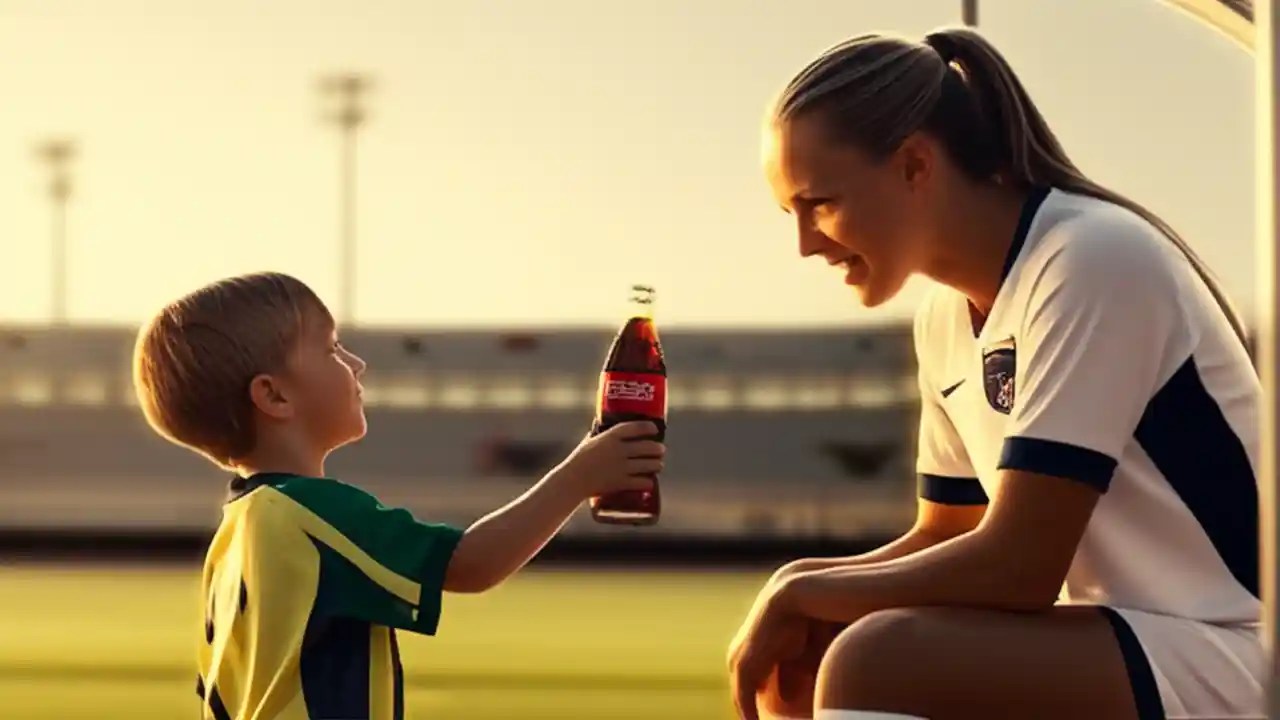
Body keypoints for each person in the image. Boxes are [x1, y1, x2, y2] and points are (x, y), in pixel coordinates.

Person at [729, 26, 1263, 720]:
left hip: (1235, 646)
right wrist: (800, 584)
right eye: (790, 214)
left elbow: (1020, 568)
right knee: (806, 656)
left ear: (915, 165)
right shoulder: (944, 317)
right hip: (1123, 642)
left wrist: (800, 594)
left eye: (819, 204)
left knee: (880, 658)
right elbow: (951, 533)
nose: (805, 244)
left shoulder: (1092, 259)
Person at [132, 272, 663, 720]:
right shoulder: (312, 514)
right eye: (331, 348)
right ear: (273, 394)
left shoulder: (235, 533)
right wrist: (579, 476)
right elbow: (469, 564)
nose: (355, 363)